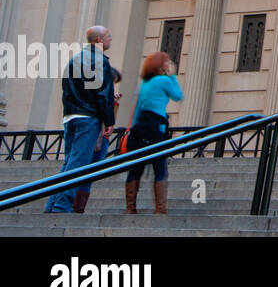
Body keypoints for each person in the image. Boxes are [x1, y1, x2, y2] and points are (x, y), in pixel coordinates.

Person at [44, 27, 117, 213]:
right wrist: (109, 121)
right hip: (88, 117)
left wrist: (69, 111)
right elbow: (103, 94)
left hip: (71, 116)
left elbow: (66, 88)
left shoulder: (75, 59)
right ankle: (61, 206)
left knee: (70, 161)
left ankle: (52, 204)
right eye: (108, 36)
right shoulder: (100, 61)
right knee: (79, 163)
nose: (111, 39)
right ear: (99, 40)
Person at [124, 52, 183, 215]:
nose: (169, 64)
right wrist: (173, 76)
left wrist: (130, 130)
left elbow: (136, 109)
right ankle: (160, 208)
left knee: (135, 168)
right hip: (156, 128)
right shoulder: (164, 80)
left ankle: (130, 208)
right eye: (167, 62)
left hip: (139, 128)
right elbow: (178, 95)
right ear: (161, 65)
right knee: (160, 167)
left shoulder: (144, 83)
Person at [72, 67, 122, 213]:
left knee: (90, 175)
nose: (112, 86)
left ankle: (79, 207)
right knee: (80, 171)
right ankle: (69, 203)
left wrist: (114, 104)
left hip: (103, 138)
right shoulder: (93, 94)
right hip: (93, 137)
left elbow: (110, 123)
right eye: (112, 81)